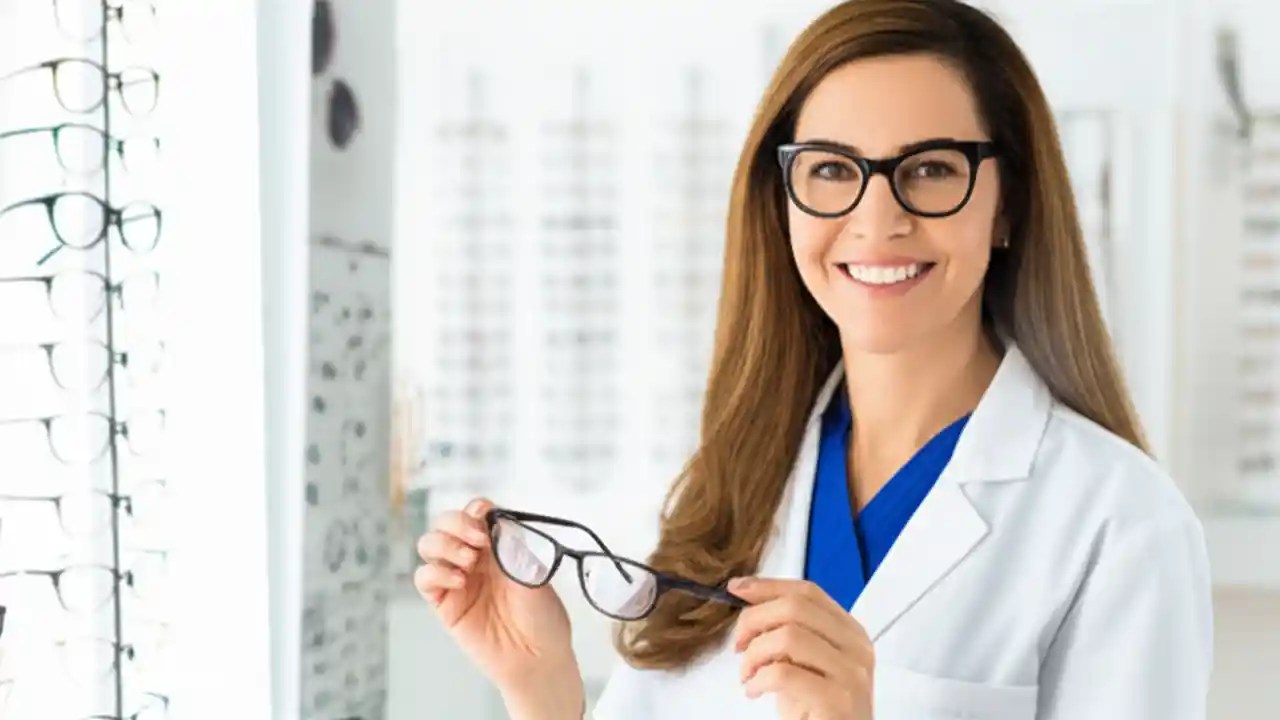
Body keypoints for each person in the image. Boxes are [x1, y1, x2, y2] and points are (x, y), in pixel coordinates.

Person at [414, 0, 1214, 717]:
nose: (876, 219)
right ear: (783, 199)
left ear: (1008, 203)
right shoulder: (731, 487)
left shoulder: (1119, 524)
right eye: (832, 169)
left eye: (931, 169)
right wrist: (543, 692)